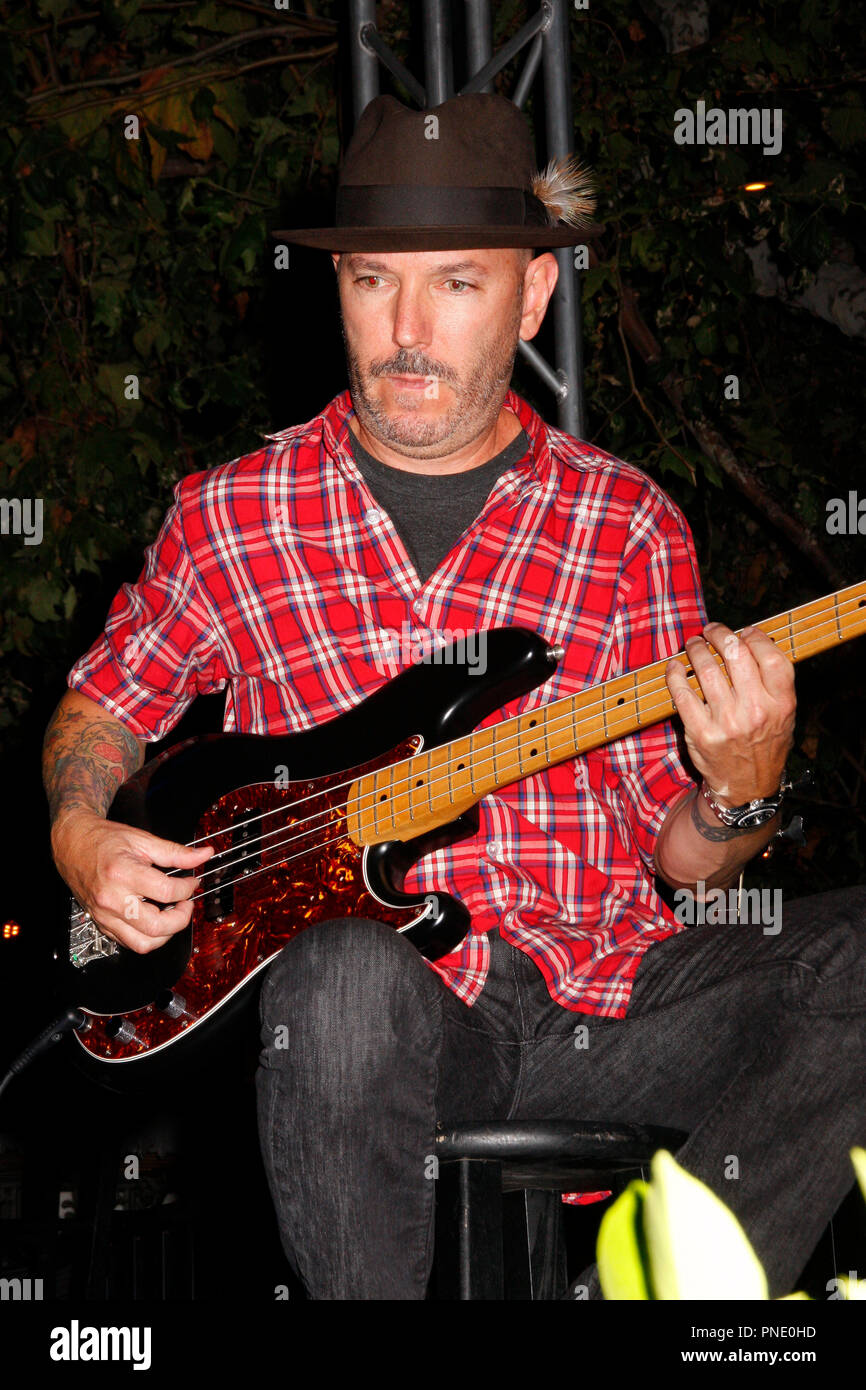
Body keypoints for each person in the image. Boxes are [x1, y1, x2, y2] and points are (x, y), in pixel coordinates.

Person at [43, 94, 866, 1301]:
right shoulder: (233, 511)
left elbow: (683, 862)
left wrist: (740, 789)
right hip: (387, 1027)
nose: (407, 330)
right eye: (374, 283)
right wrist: (77, 832)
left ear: (532, 297)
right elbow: (101, 705)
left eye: (458, 286)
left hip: (614, 1003)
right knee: (341, 976)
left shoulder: (627, 521)